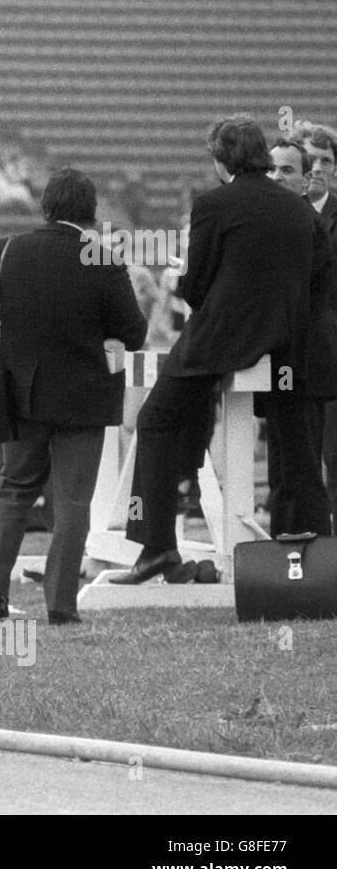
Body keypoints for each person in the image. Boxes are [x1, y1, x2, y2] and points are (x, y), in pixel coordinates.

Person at [116, 115, 325, 583]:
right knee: (298, 458)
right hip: (286, 347)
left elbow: (195, 286)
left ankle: (157, 547)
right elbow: (316, 272)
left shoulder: (213, 204)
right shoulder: (300, 210)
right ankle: (313, 567)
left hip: (219, 342)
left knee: (153, 422)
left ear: (220, 159)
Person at [0, 168, 147, 624]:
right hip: (84, 399)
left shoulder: (3, 251)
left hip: (21, 394)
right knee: (72, 502)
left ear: (46, 207)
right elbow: (134, 333)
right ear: (90, 214)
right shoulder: (103, 259)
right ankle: (61, 604)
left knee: (14, 490)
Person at [260, 137, 337, 535]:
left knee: (303, 472)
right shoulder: (280, 221)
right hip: (278, 363)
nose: (276, 177)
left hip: (304, 364)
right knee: (283, 472)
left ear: (305, 179)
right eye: (271, 169)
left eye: (286, 170)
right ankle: (285, 564)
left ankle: (315, 567)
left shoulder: (304, 225)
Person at [294, 122, 337, 525]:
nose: (318, 167)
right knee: (294, 463)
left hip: (333, 351)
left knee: (334, 458)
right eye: (312, 159)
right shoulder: (283, 213)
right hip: (291, 351)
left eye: (326, 159)